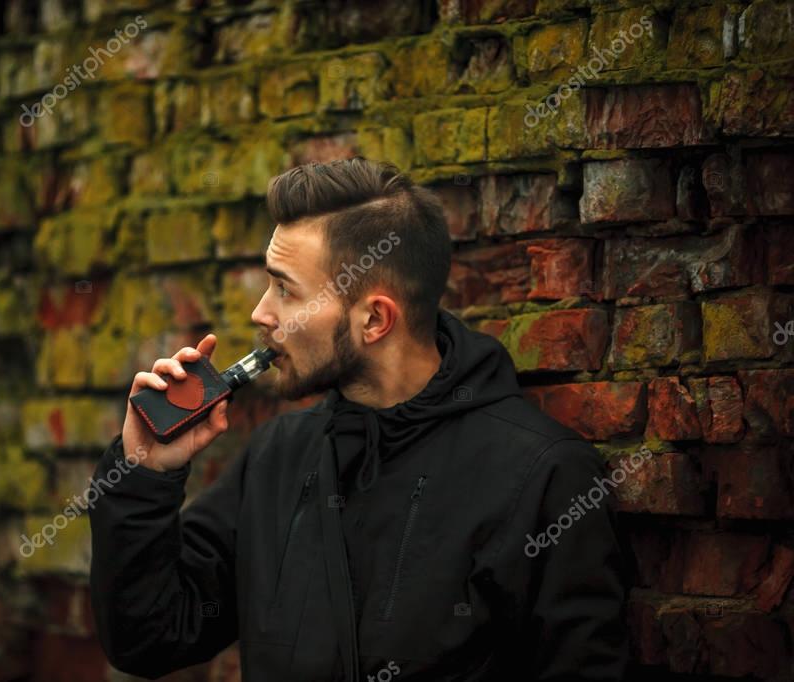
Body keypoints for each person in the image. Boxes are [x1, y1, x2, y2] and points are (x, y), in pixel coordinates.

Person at [89, 158, 629, 681]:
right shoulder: (278, 456)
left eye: (285, 289)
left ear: (374, 319)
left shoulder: (545, 477)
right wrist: (143, 475)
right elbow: (150, 638)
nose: (261, 312)